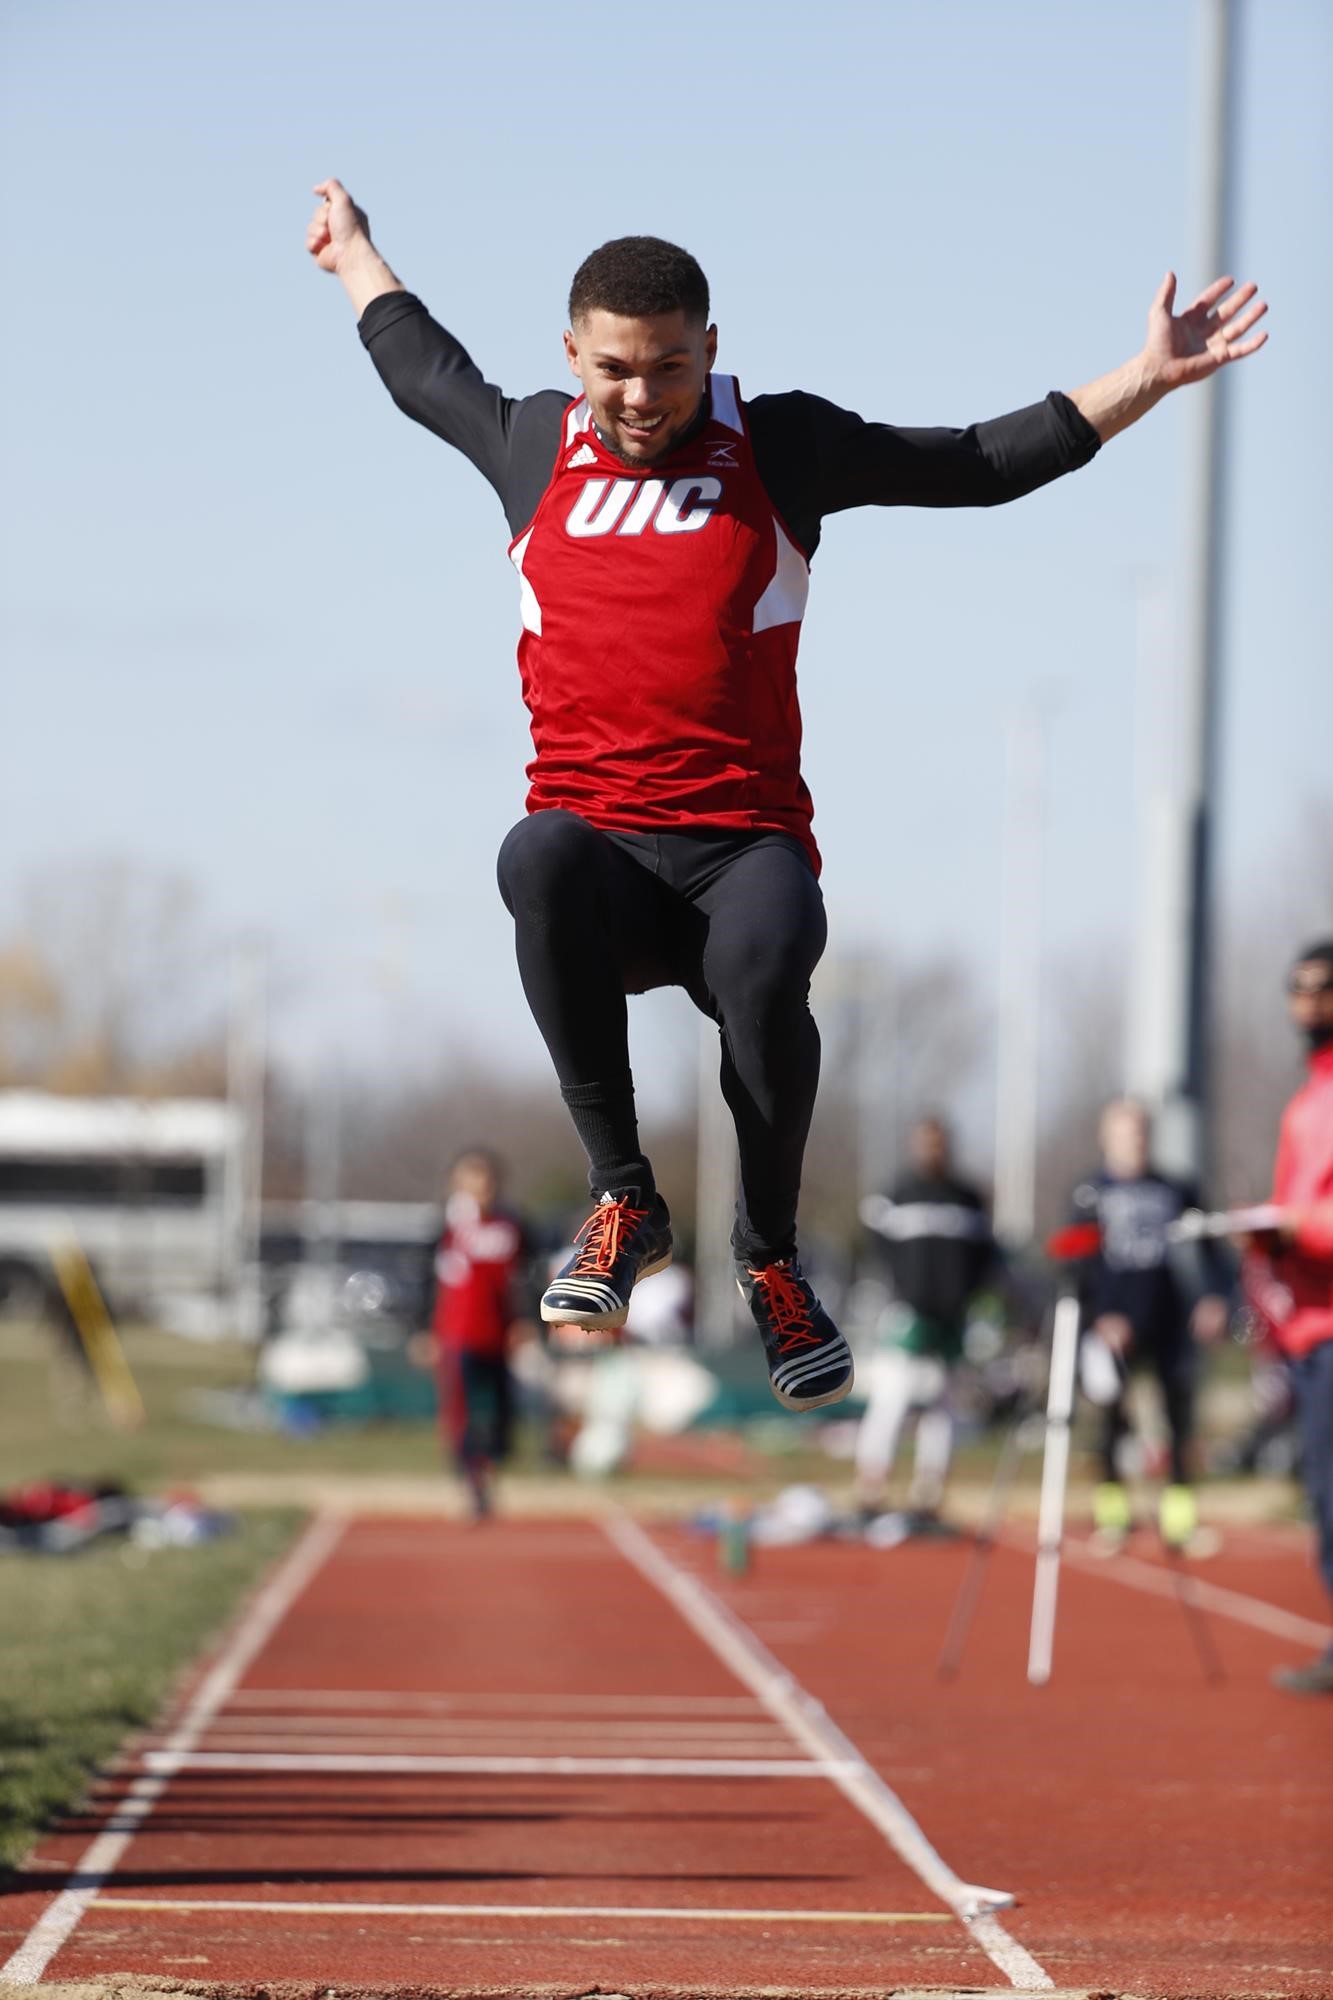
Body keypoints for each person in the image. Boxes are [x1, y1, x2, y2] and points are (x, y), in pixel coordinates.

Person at [307, 177, 1266, 1413]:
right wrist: (354, 258)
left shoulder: (778, 444)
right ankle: (623, 1199)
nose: (638, 397)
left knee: (767, 956)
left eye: (664, 367)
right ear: (571, 355)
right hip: (598, 850)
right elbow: (418, 368)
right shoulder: (536, 441)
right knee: (530, 854)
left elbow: (973, 463)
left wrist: (1141, 379)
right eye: (613, 369)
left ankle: (769, 1259)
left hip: (738, 850)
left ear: (708, 348)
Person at [1070, 1099, 1230, 1552]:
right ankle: (1114, 1519)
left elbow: (1213, 1248)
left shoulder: (1175, 1189)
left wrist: (1213, 1299)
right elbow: (1075, 1265)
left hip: (1168, 1321)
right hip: (1109, 1328)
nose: (1135, 1139)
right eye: (1125, 1131)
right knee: (1111, 1424)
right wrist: (1100, 1316)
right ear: (1107, 1137)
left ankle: (1179, 1523)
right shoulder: (1088, 1194)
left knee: (1178, 1422)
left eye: (1141, 1130)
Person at [1255, 942, 1333, 1694]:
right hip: (1309, 1329)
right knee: (1323, 1493)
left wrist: (1293, 1226)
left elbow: (1314, 1214)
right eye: (1297, 988)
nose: (1307, 1003)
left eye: (1323, 989)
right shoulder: (1306, 1099)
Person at [856, 1114, 999, 1523]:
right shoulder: (898, 1194)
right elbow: (880, 1251)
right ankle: (872, 1484)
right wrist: (907, 1294)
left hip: (953, 1317)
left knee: (944, 1407)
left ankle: (929, 1491)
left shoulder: (967, 1198)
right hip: (910, 1313)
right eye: (926, 1142)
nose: (932, 1150)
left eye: (939, 1143)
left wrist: (966, 1298)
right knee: (893, 1398)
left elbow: (985, 1256)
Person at [427, 1148, 530, 1520]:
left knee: (501, 1412)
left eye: (486, 1180)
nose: (480, 1188)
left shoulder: (512, 1225)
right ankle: (470, 1479)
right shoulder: (446, 1224)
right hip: (457, 1334)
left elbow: (524, 1276)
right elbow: (428, 1278)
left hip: (499, 1334)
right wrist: (424, 1330)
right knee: (462, 1412)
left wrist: (524, 1320)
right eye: (472, 1179)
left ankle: (490, 1466)